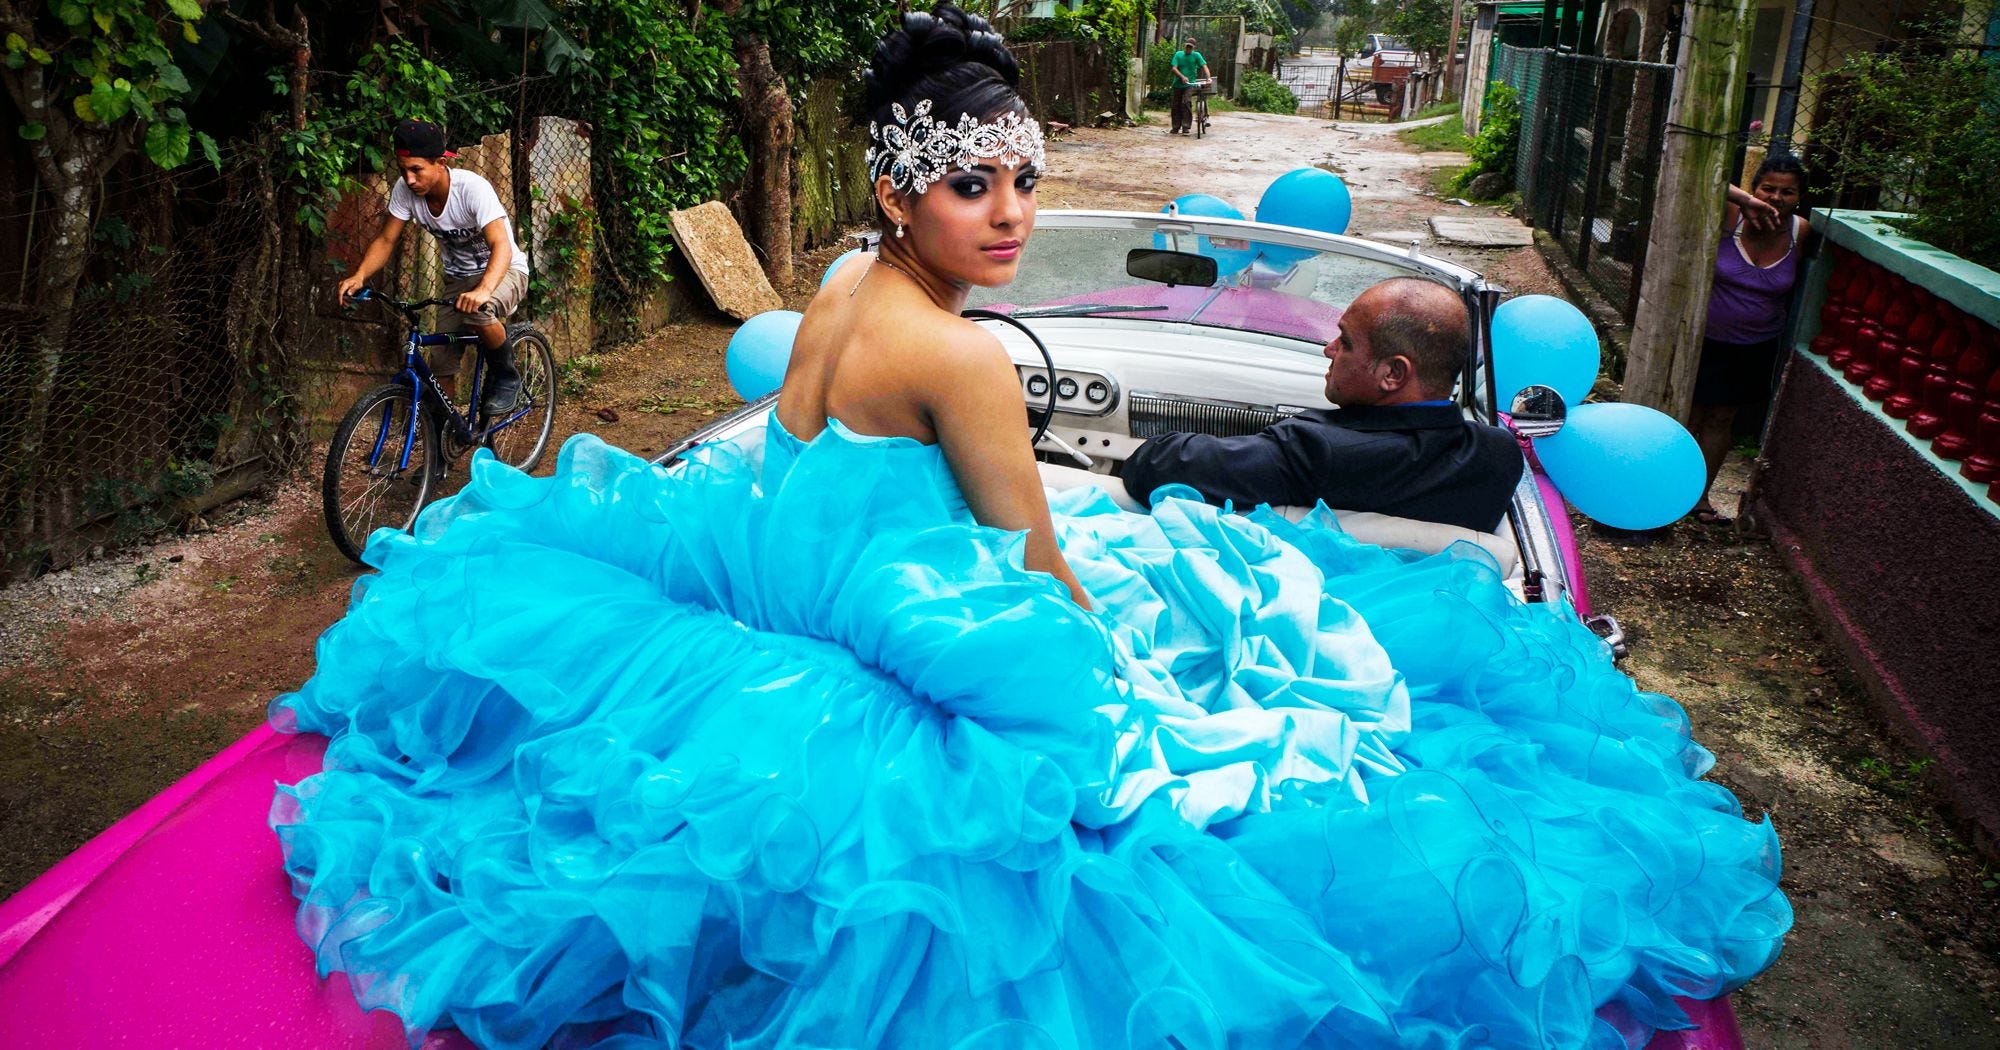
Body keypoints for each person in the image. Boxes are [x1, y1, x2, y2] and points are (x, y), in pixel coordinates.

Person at [268, 7, 1788, 1048]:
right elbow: (1041, 568)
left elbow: (813, 462)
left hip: (792, 596)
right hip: (899, 631)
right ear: (898, 189)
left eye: (1024, 184)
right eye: (973, 185)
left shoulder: (856, 283)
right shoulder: (966, 357)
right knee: (1205, 671)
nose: (1007, 215)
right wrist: (1129, 673)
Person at [1121, 277, 1524, 532]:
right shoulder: (1500, 455)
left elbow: (1153, 467)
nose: (1329, 349)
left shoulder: (1315, 451)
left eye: (1345, 341)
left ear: (1393, 375)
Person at [336, 118, 530, 415]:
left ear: (440, 162)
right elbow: (387, 239)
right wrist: (360, 275)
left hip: (504, 271)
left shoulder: (472, 189)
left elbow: (501, 245)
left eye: (416, 170)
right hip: (458, 280)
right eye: (403, 171)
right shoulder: (406, 191)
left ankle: (505, 375)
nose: (410, 180)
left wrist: (484, 291)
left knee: (481, 311)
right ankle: (443, 442)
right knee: (440, 363)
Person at [1689, 154, 1811, 525]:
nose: (1776, 197)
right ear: (1754, 187)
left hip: (1754, 346)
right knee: (1689, 414)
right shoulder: (1732, 215)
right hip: (1704, 338)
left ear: (1799, 197)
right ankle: (1666, 489)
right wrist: (1745, 200)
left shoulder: (1800, 232)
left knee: (1721, 419)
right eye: (1768, 188)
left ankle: (1699, 498)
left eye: (1787, 192)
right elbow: (1697, 176)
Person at [1169, 39, 1212, 135]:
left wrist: (1208, 78)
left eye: (1190, 47)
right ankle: (1175, 127)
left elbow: (1204, 66)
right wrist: (1182, 77)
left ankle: (1186, 127)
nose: (1188, 48)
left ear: (1193, 48)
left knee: (1186, 102)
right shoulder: (1178, 54)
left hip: (1190, 84)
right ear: (1185, 46)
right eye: (1187, 46)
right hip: (1177, 84)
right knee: (1176, 105)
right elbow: (1174, 68)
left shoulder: (1196, 55)